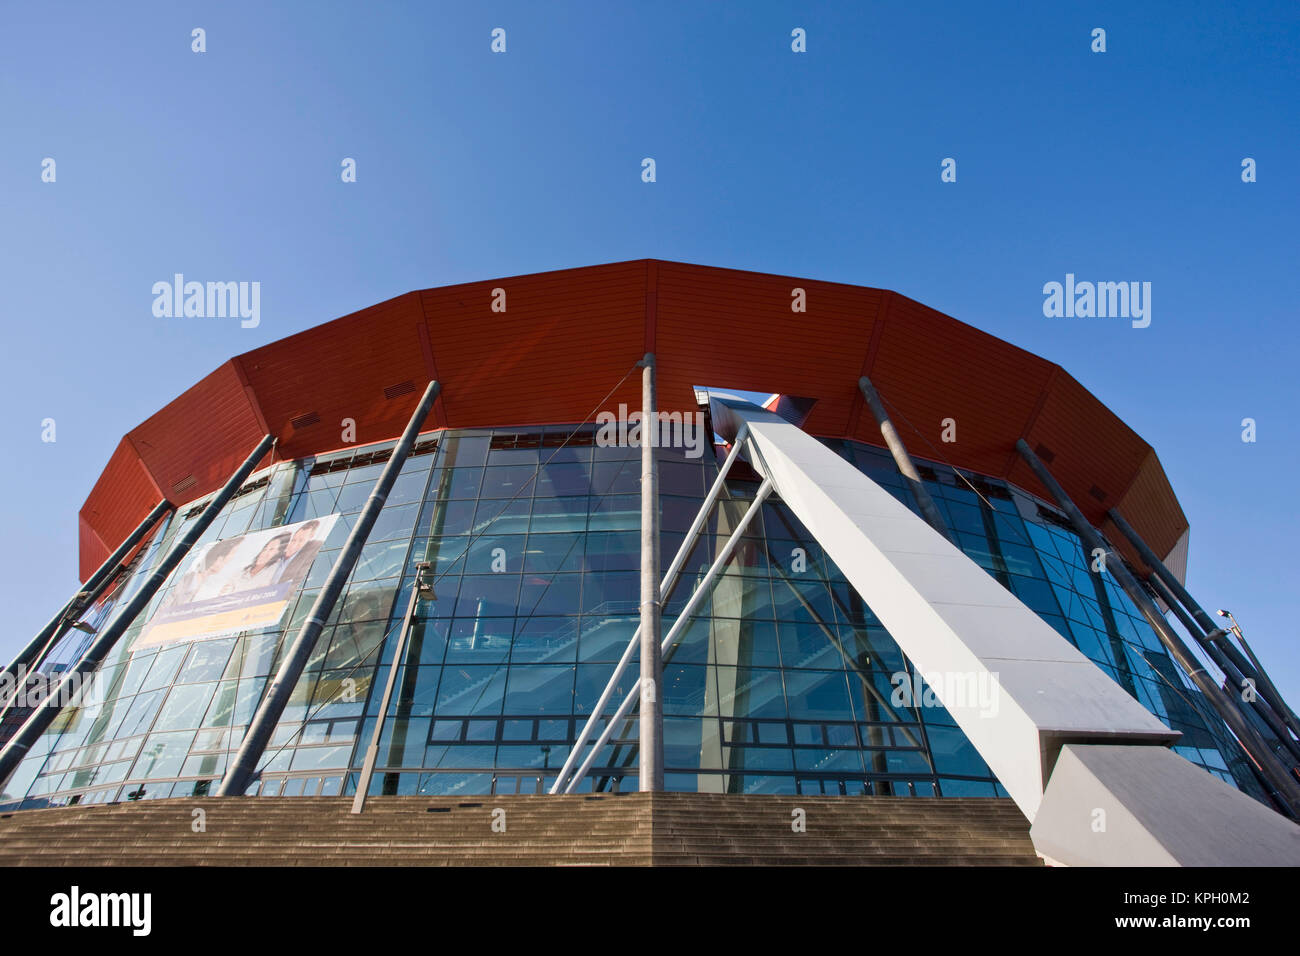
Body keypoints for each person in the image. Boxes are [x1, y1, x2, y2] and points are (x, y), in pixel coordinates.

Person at [273, 519, 324, 586]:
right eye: (294, 540)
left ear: (310, 537)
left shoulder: (311, 549)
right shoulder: (277, 556)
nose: (295, 544)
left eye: (301, 541)